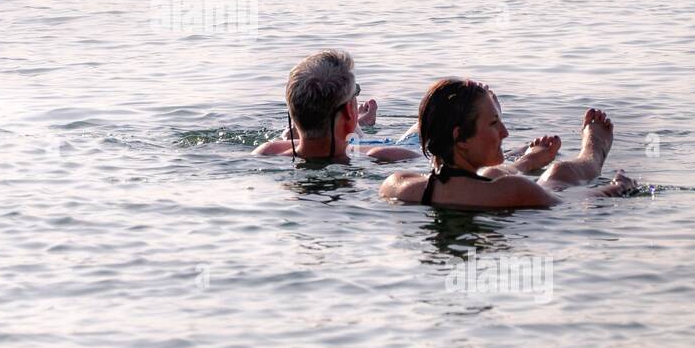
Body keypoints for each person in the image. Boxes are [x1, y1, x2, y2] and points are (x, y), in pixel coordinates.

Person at [379, 78, 636, 208]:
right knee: (561, 172)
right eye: (493, 124)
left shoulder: (398, 185)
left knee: (491, 172)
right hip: (511, 194)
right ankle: (594, 150)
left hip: (453, 185)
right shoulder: (514, 190)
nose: (505, 133)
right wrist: (618, 187)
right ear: (460, 138)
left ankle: (527, 160)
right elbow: (577, 202)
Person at [253, 50, 395, 164]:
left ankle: (351, 124)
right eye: (355, 93)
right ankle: (355, 126)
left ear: (292, 112)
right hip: (352, 146)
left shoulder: (267, 152)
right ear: (350, 113)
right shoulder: (385, 155)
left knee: (287, 137)